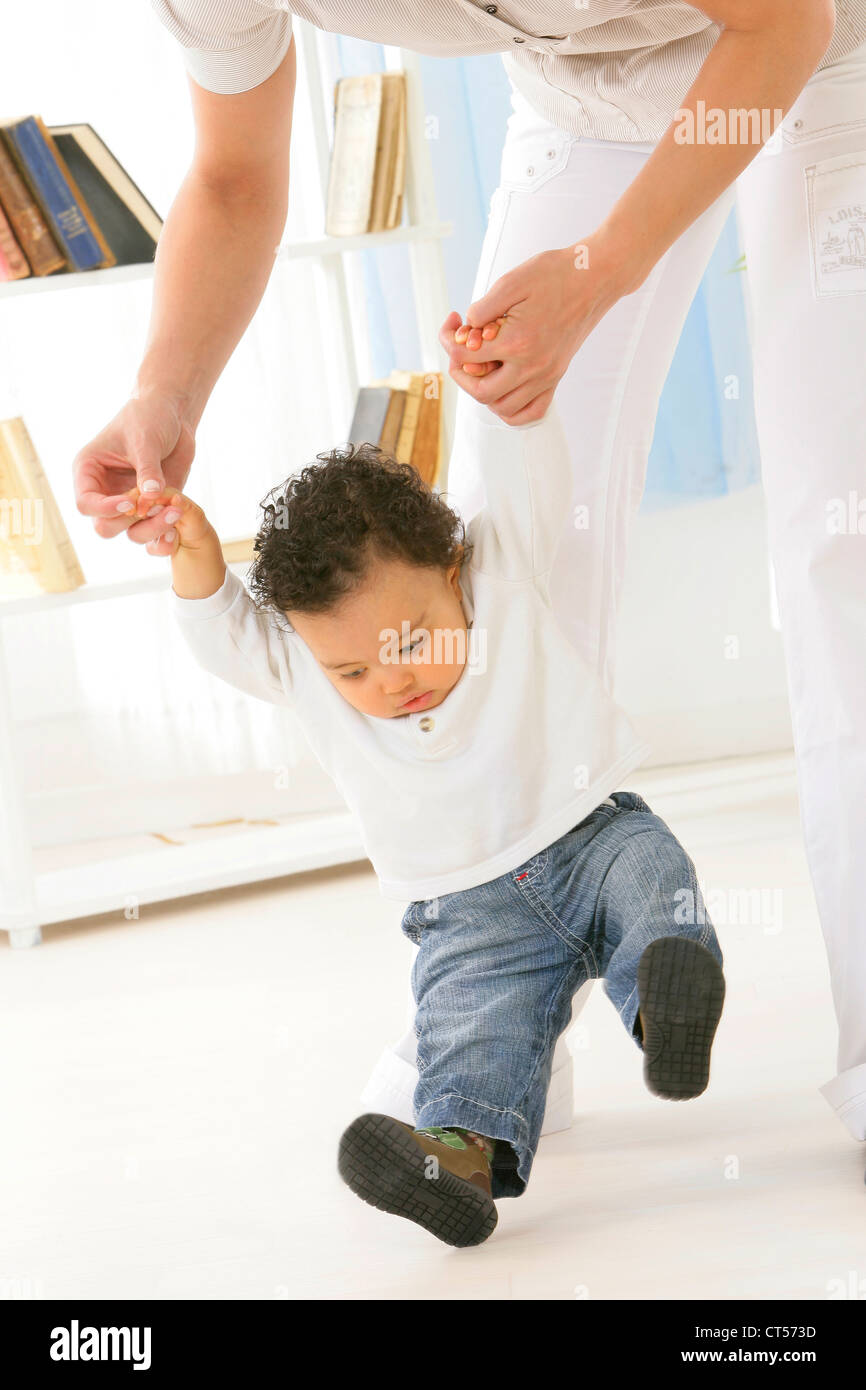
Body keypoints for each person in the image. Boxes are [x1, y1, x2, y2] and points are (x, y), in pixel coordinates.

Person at [73, 1, 866, 1166]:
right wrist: (166, 393)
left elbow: (780, 22)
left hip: (820, 55)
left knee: (835, 541)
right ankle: (495, 1029)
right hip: (588, 88)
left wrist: (599, 270)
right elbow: (236, 175)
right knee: (511, 563)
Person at [125, 399, 726, 1245]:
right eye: (354, 668)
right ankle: (457, 1159)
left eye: (411, 644)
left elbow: (529, 471)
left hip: (590, 837)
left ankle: (667, 1011)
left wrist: (505, 392)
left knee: (652, 881)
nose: (389, 681)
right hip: (469, 917)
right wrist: (192, 555)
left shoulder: (500, 572)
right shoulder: (306, 668)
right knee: (470, 1035)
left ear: (453, 570)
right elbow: (223, 635)